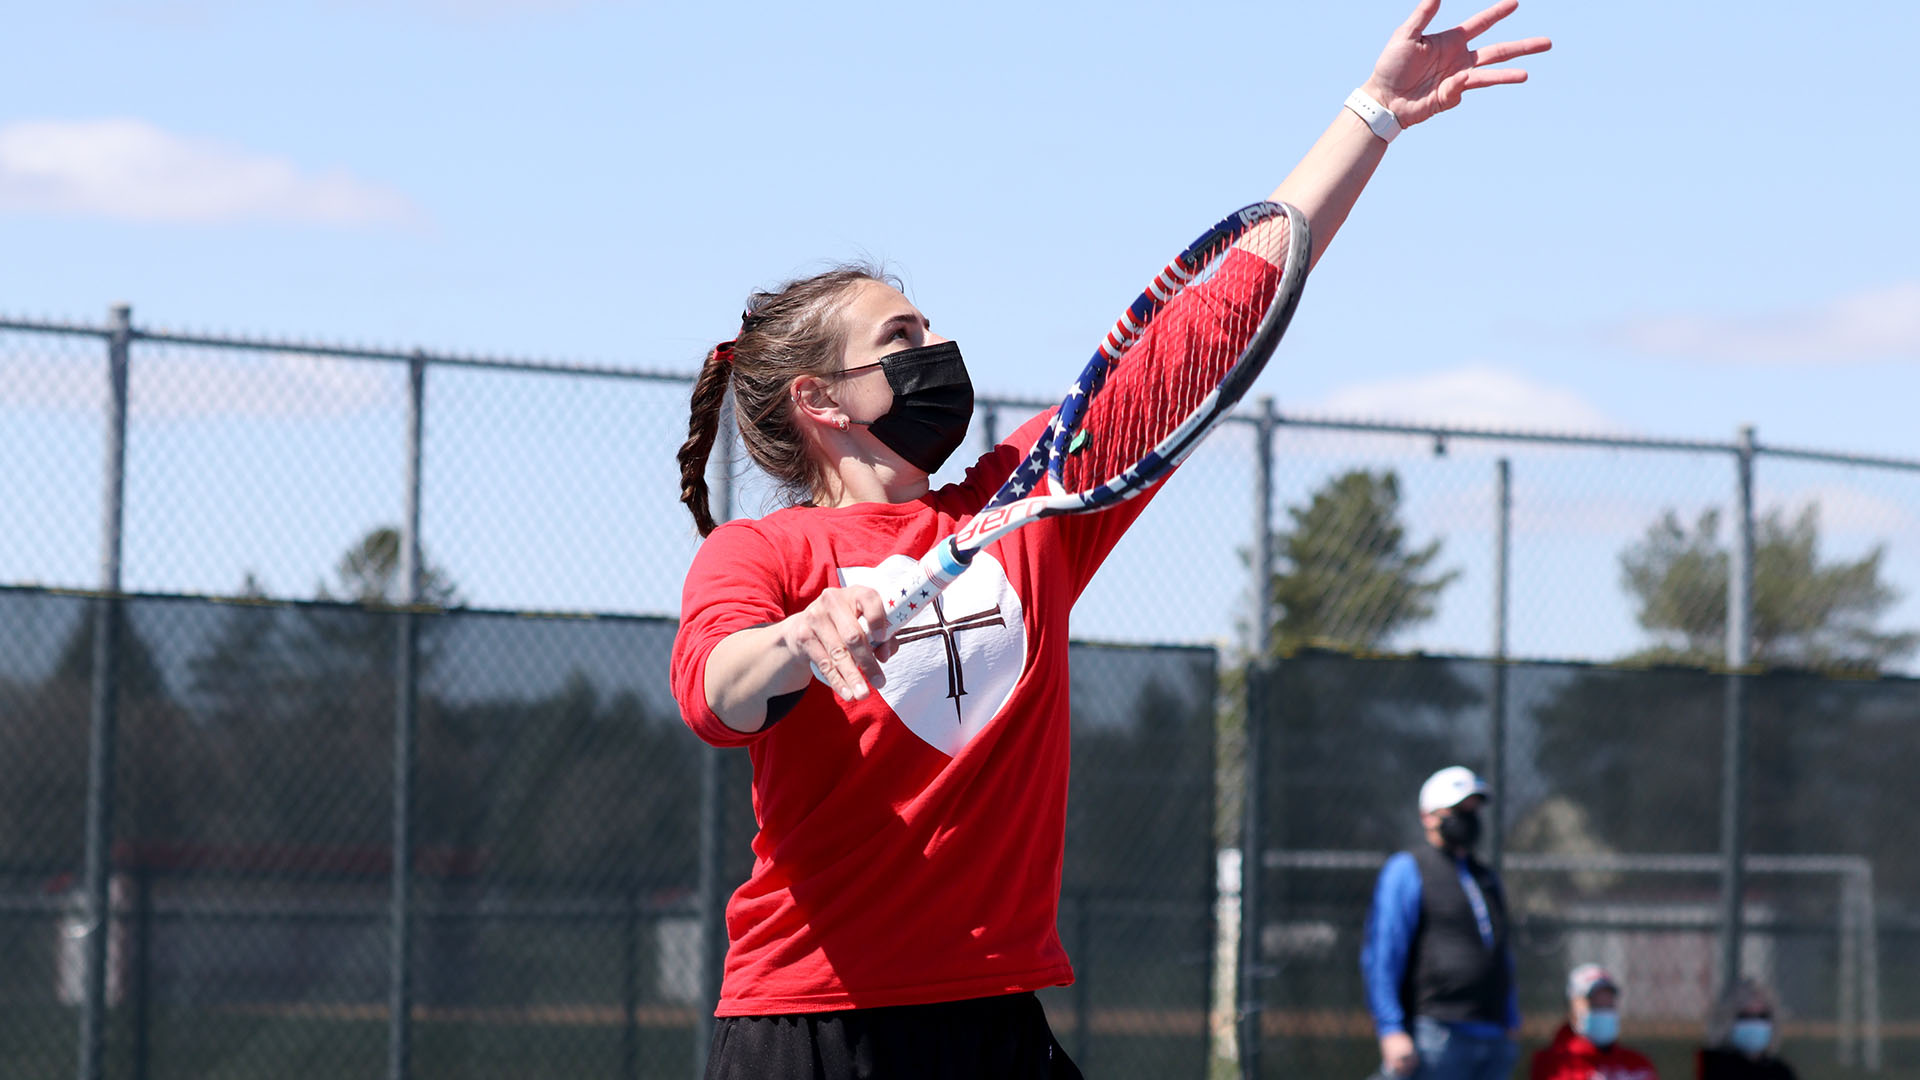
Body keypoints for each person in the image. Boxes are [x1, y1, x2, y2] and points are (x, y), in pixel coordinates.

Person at [670, 5, 1550, 1077]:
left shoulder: (1025, 510)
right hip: (809, 1024)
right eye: (901, 338)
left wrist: (1374, 115)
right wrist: (799, 636)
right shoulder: (761, 558)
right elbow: (714, 692)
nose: (936, 348)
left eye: (932, 326)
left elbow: (1208, 324)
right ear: (820, 399)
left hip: (993, 1010)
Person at [1361, 765, 1519, 1080]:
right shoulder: (1407, 869)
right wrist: (1391, 1029)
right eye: (1458, 810)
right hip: (1436, 1033)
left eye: (1473, 810)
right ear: (1428, 816)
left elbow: (1501, 951)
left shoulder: (1485, 877)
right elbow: (1383, 952)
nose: (1468, 819)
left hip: (1492, 1035)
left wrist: (1511, 1019)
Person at [1531, 963, 1659, 1080]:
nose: (1603, 1012)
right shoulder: (1553, 1064)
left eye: (1608, 1005)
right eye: (1594, 1005)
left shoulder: (1638, 1065)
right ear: (1571, 1007)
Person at [1698, 977, 1796, 1080]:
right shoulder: (1712, 1067)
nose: (1755, 1023)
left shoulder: (1781, 1072)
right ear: (1726, 1020)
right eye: (1746, 1016)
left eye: (1762, 1016)